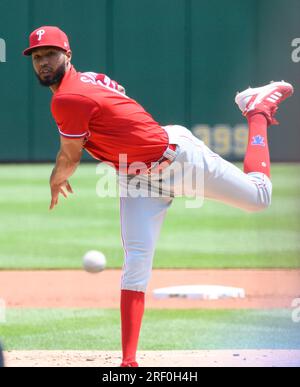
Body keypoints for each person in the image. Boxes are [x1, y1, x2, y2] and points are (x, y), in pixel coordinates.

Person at [23, 26, 293, 367]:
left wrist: (55, 179)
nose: (43, 62)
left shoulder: (67, 98)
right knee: (136, 261)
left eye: (50, 54)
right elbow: (118, 98)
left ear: (68, 55)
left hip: (179, 159)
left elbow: (69, 157)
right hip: (136, 177)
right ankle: (129, 362)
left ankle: (256, 110)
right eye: (36, 57)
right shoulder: (86, 80)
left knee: (259, 197)